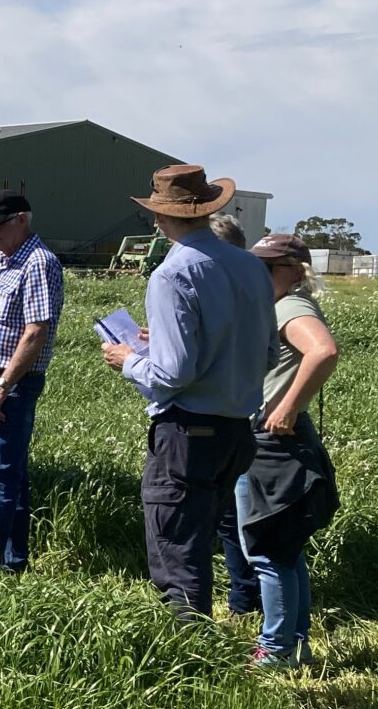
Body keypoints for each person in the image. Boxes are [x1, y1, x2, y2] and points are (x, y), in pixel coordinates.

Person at [102, 165, 276, 618]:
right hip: (237, 430)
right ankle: (216, 631)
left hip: (187, 433)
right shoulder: (251, 266)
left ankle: (189, 650)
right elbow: (267, 351)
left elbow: (173, 372)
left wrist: (129, 360)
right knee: (198, 542)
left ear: (161, 218)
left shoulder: (172, 273)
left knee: (176, 551)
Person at [236, 233, 341, 669]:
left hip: (271, 440)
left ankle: (276, 650)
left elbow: (324, 351)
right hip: (276, 439)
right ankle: (295, 645)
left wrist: (287, 408)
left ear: (296, 271)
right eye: (255, 265)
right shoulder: (278, 304)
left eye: (268, 267)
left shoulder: (290, 307)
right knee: (283, 549)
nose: (258, 273)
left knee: (265, 549)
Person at [0, 189, 65, 572]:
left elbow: (35, 332)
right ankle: (12, 561)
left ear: (22, 219)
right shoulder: (9, 261)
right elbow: (0, 325)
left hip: (11, 386)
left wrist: (2, 386)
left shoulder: (37, 262)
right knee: (11, 476)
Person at [205, 214, 260, 615]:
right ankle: (245, 598)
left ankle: (247, 601)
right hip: (241, 413)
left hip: (245, 417)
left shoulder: (238, 293)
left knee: (238, 515)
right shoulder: (251, 288)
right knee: (232, 515)